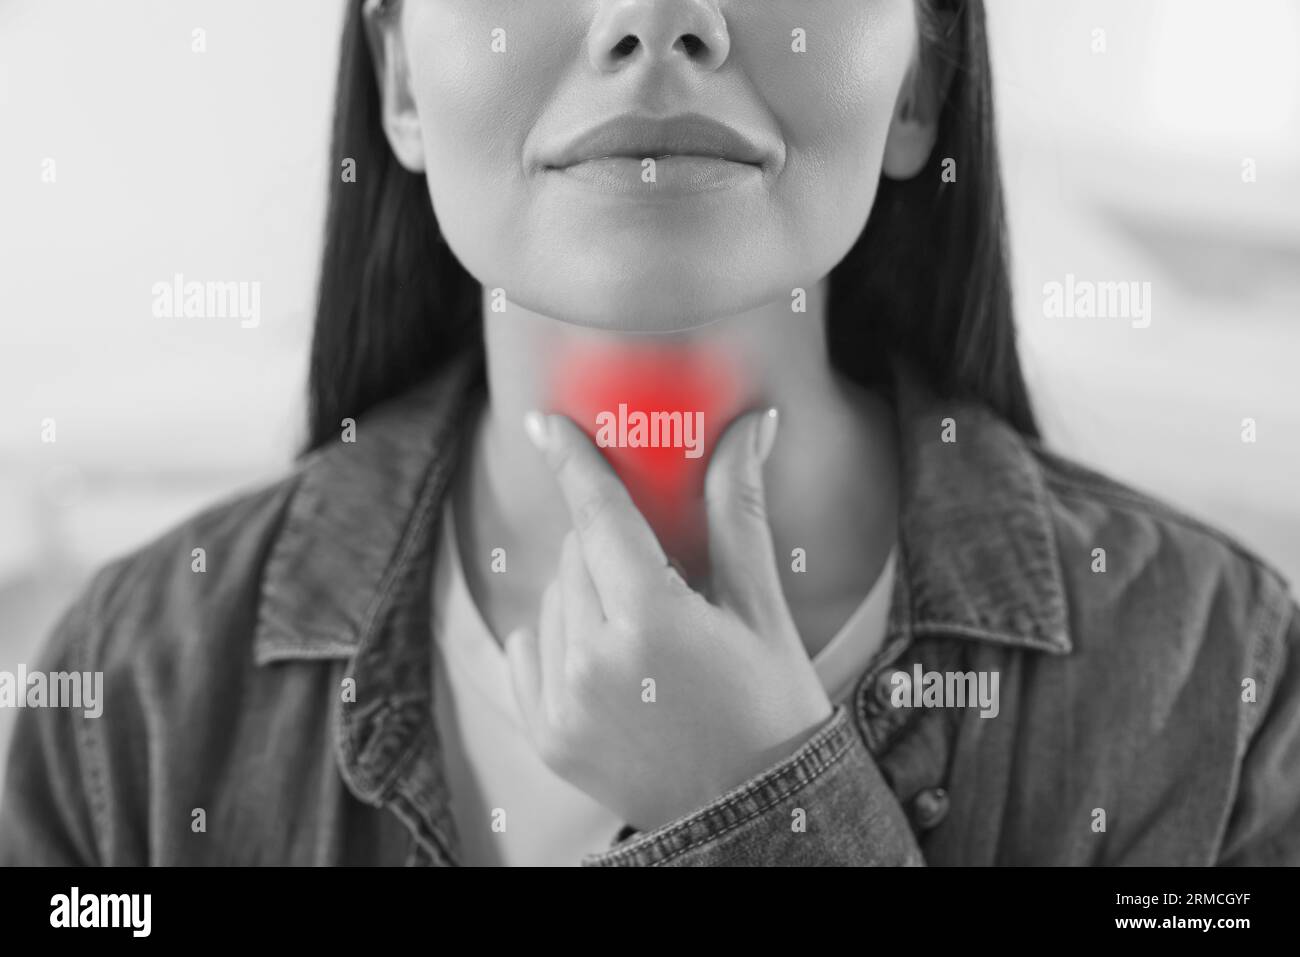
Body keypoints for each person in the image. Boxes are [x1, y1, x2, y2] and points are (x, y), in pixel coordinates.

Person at [2, 0, 1297, 866]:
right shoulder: (127, 709)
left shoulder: (1218, 688)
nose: (656, 20)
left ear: (922, 82)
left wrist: (767, 804)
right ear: (400, 73)